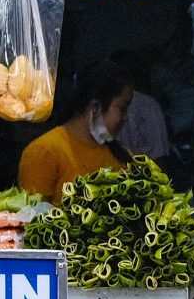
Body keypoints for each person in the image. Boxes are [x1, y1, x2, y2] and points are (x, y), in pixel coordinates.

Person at [17, 60, 133, 205]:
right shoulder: (44, 151)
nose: (126, 118)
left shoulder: (123, 155)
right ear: (95, 107)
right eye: (122, 108)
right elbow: (32, 219)